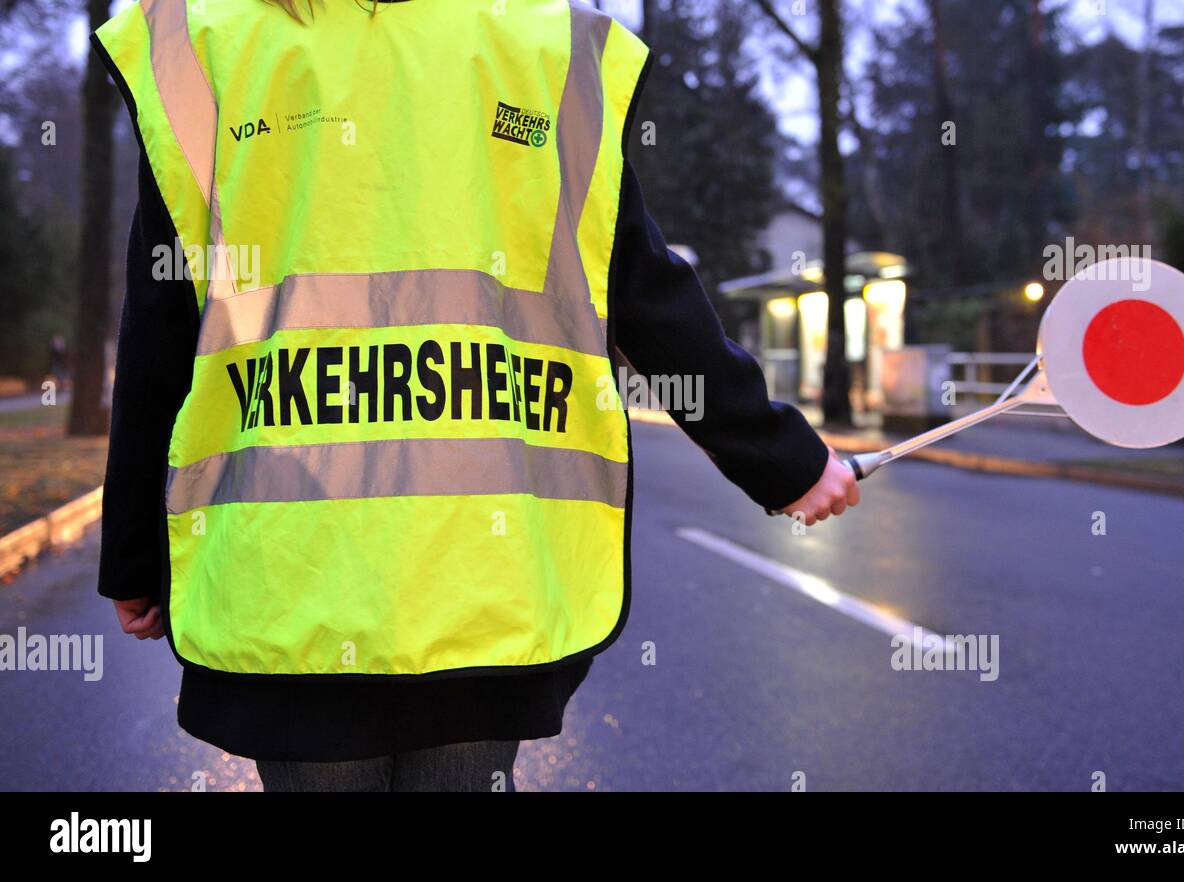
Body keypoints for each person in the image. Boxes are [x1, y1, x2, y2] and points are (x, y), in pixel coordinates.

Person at [95, 0, 857, 793]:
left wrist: (136, 558)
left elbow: (160, 323)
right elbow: (639, 290)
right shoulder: (540, 40)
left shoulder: (203, 40)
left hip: (285, 587)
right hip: (482, 586)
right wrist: (782, 461)